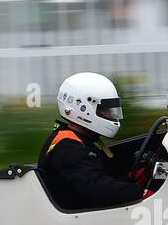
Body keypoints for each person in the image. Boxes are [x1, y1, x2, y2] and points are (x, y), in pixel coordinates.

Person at [39, 72, 148, 210]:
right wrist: (140, 193)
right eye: (105, 109)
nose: (110, 114)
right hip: (77, 223)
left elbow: (105, 174)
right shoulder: (67, 145)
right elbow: (96, 187)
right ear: (82, 107)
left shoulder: (83, 140)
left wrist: (137, 175)